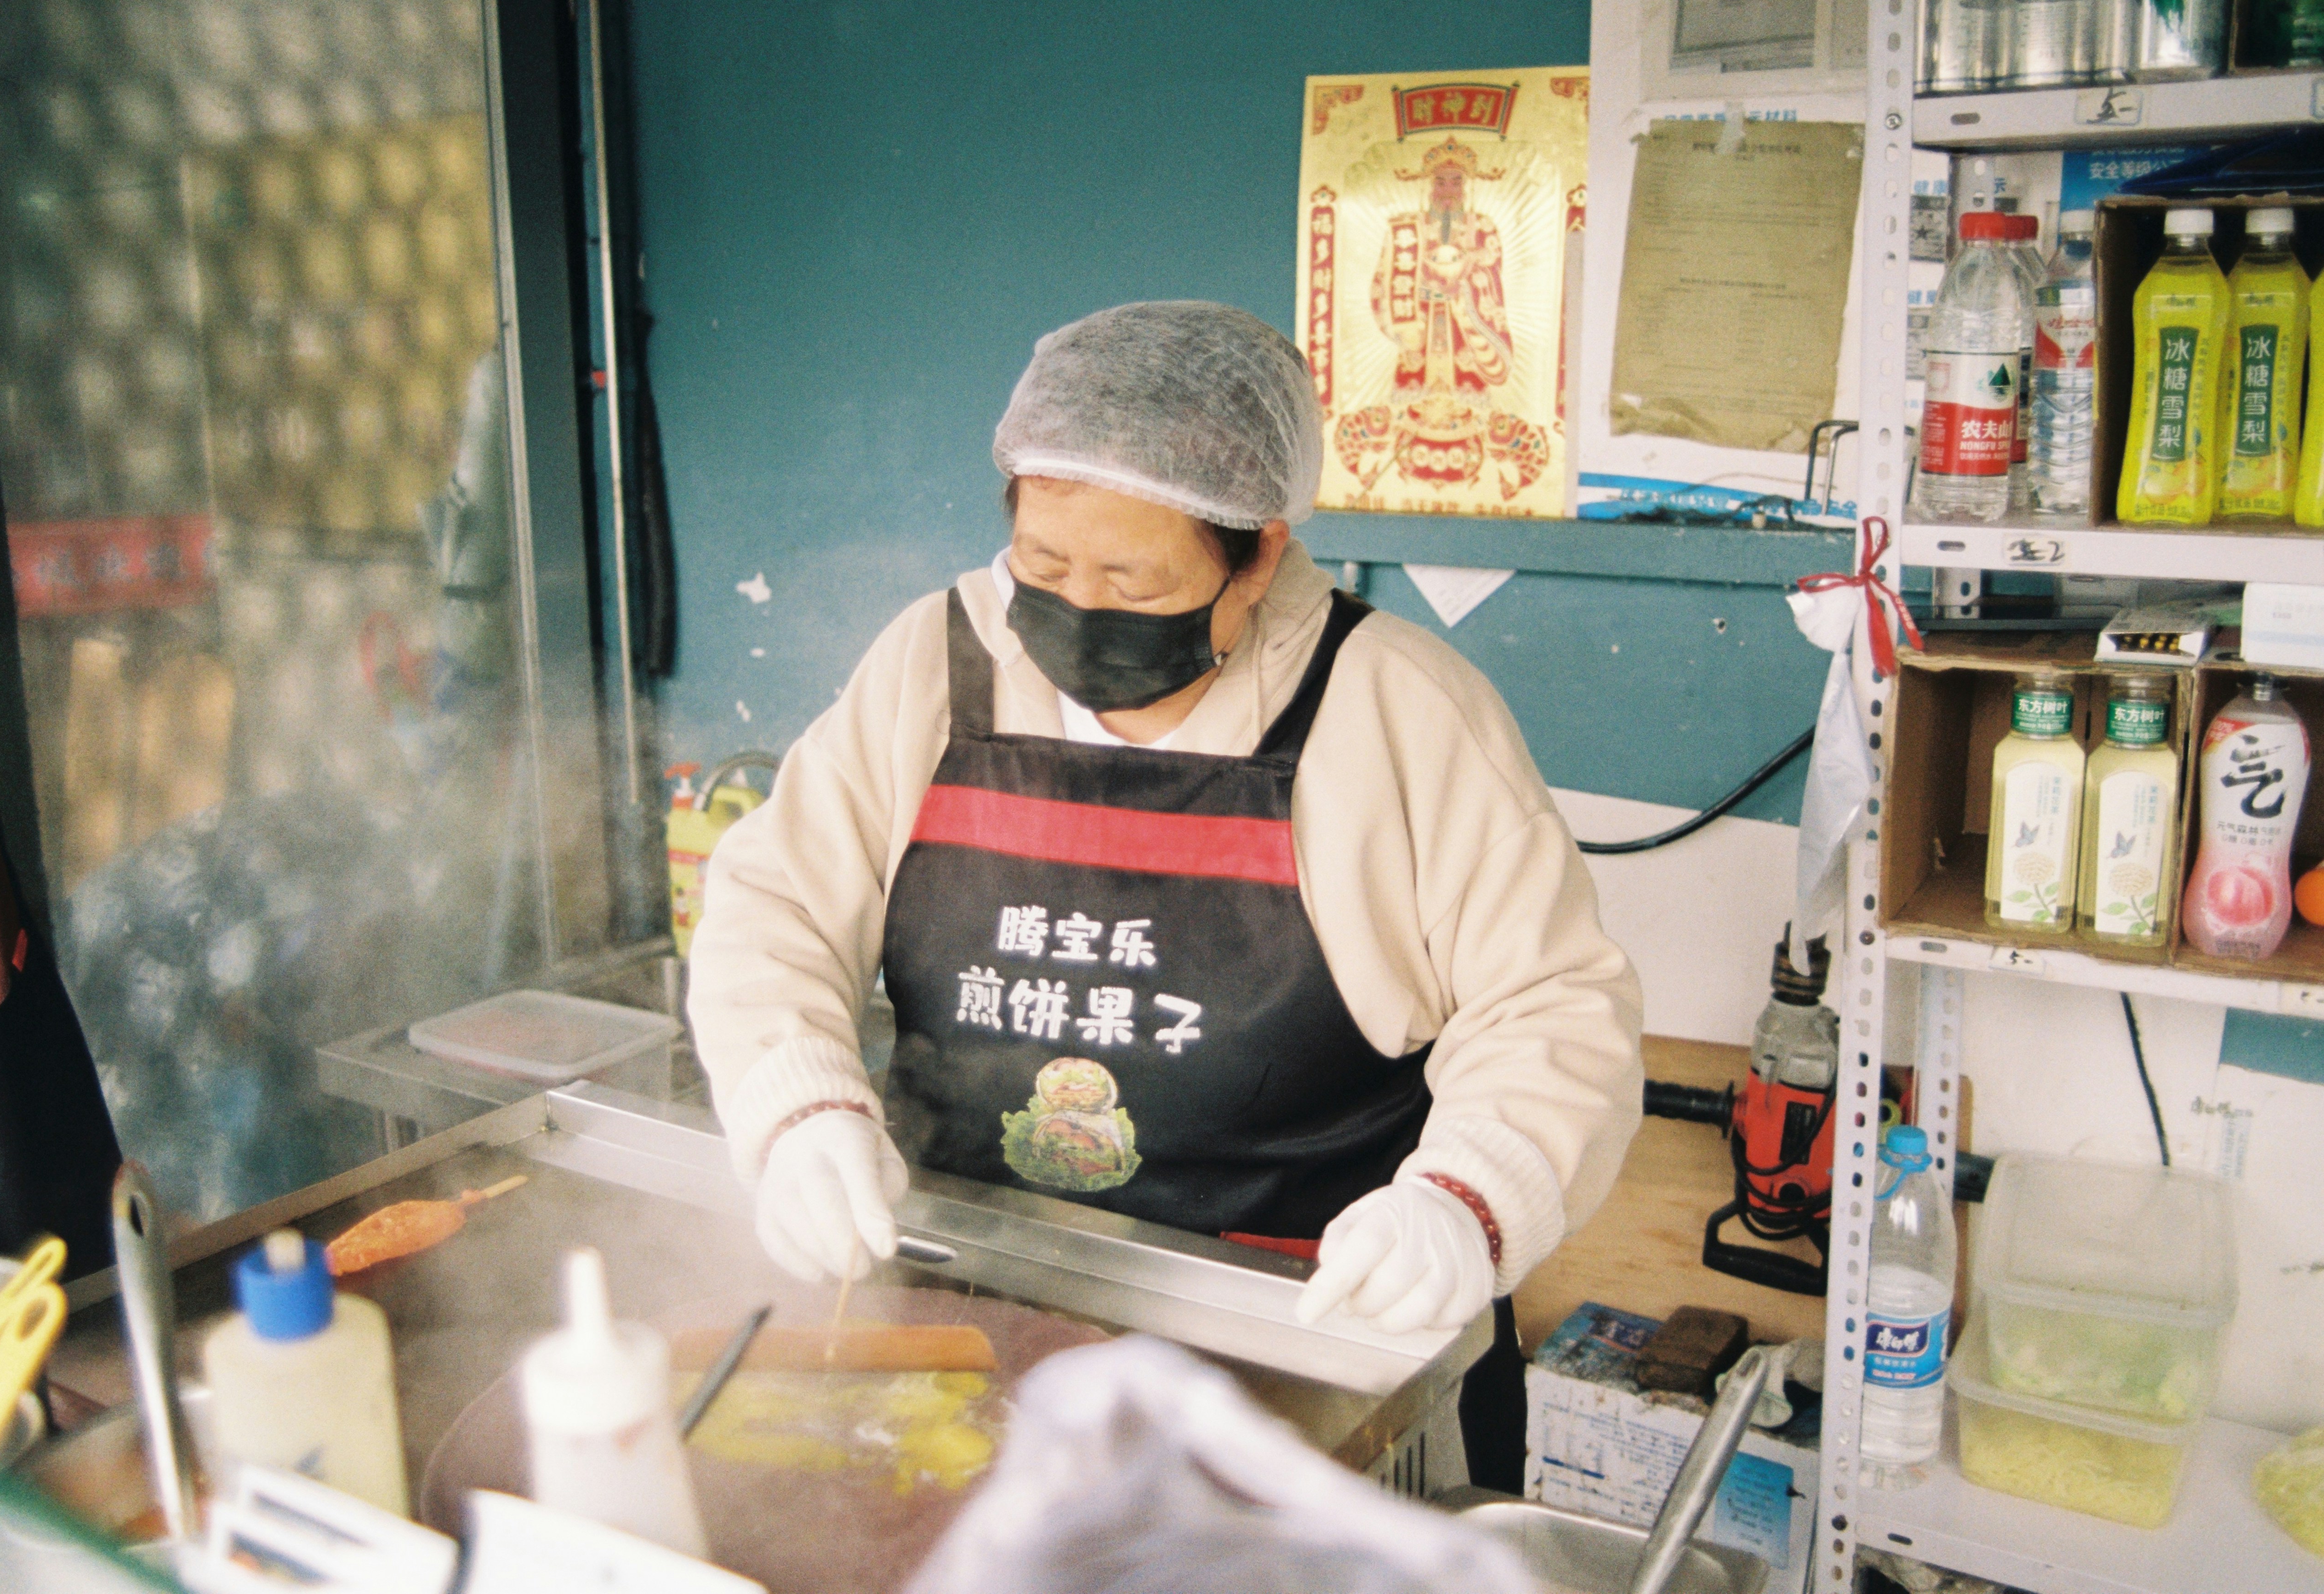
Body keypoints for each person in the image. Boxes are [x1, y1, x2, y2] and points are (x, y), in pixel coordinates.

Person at [687, 301, 1642, 1484]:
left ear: (1261, 557)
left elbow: (1551, 1008)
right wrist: (800, 1110)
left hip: (1297, 1345)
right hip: (972, 1325)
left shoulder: (1396, 710)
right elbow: (774, 904)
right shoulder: (935, 664)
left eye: (1133, 584)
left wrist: (1467, 1197)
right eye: (1043, 563)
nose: (1077, 606)